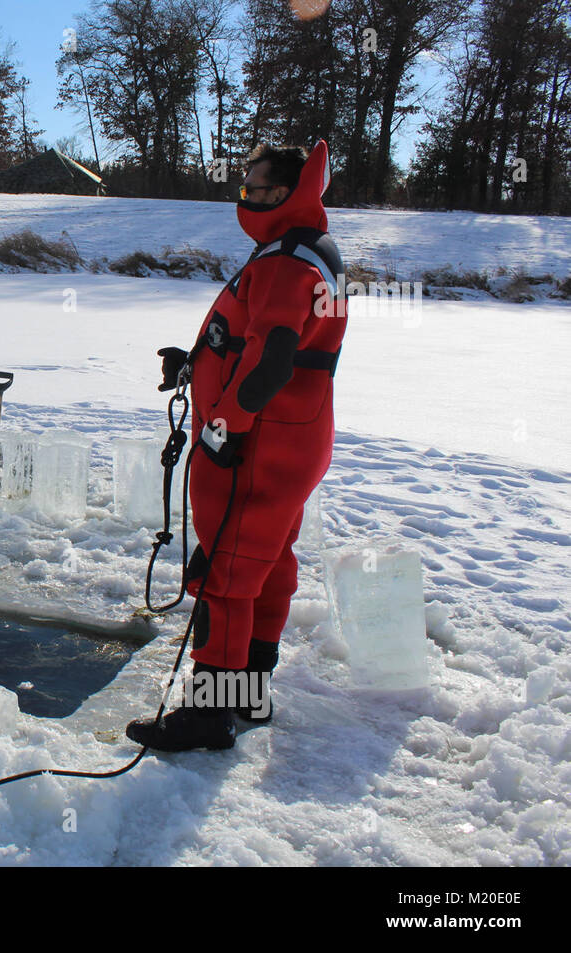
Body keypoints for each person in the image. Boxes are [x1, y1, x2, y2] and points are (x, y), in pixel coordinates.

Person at [127, 141, 347, 752]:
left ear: (290, 192)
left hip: (260, 444)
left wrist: (226, 427)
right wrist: (198, 361)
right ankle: (249, 690)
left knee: (225, 573)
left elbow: (273, 361)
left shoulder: (286, 261)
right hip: (293, 440)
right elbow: (264, 345)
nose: (245, 193)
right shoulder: (304, 250)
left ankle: (207, 716)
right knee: (268, 561)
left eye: (256, 185)